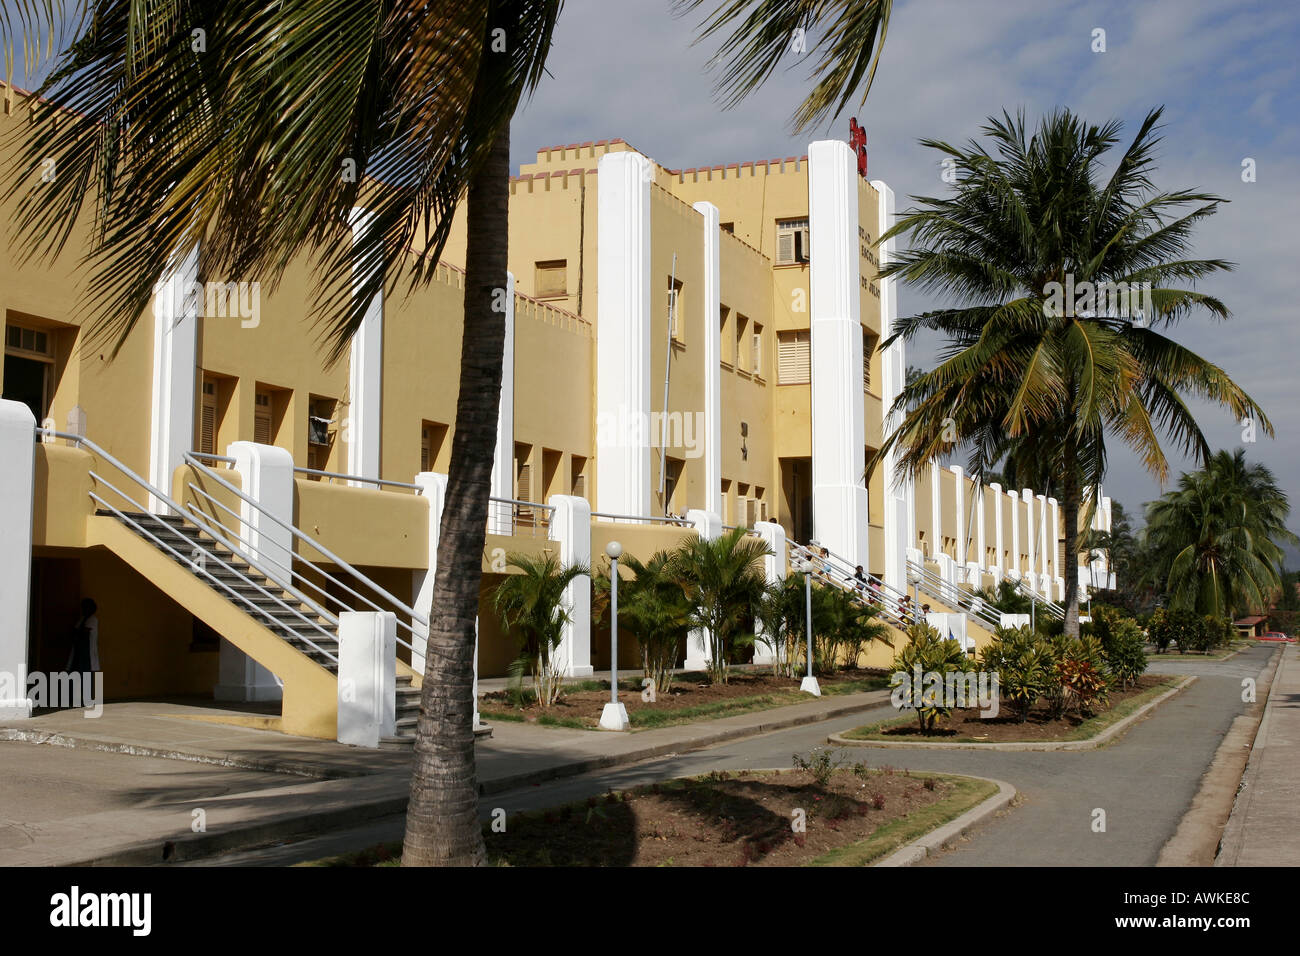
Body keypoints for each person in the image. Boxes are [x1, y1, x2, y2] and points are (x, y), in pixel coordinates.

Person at [67, 598, 100, 676]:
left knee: (86, 679)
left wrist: (77, 634)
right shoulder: (82, 619)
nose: (84, 609)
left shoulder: (93, 619)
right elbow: (75, 632)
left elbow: (83, 633)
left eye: (86, 607)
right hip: (79, 655)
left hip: (87, 656)